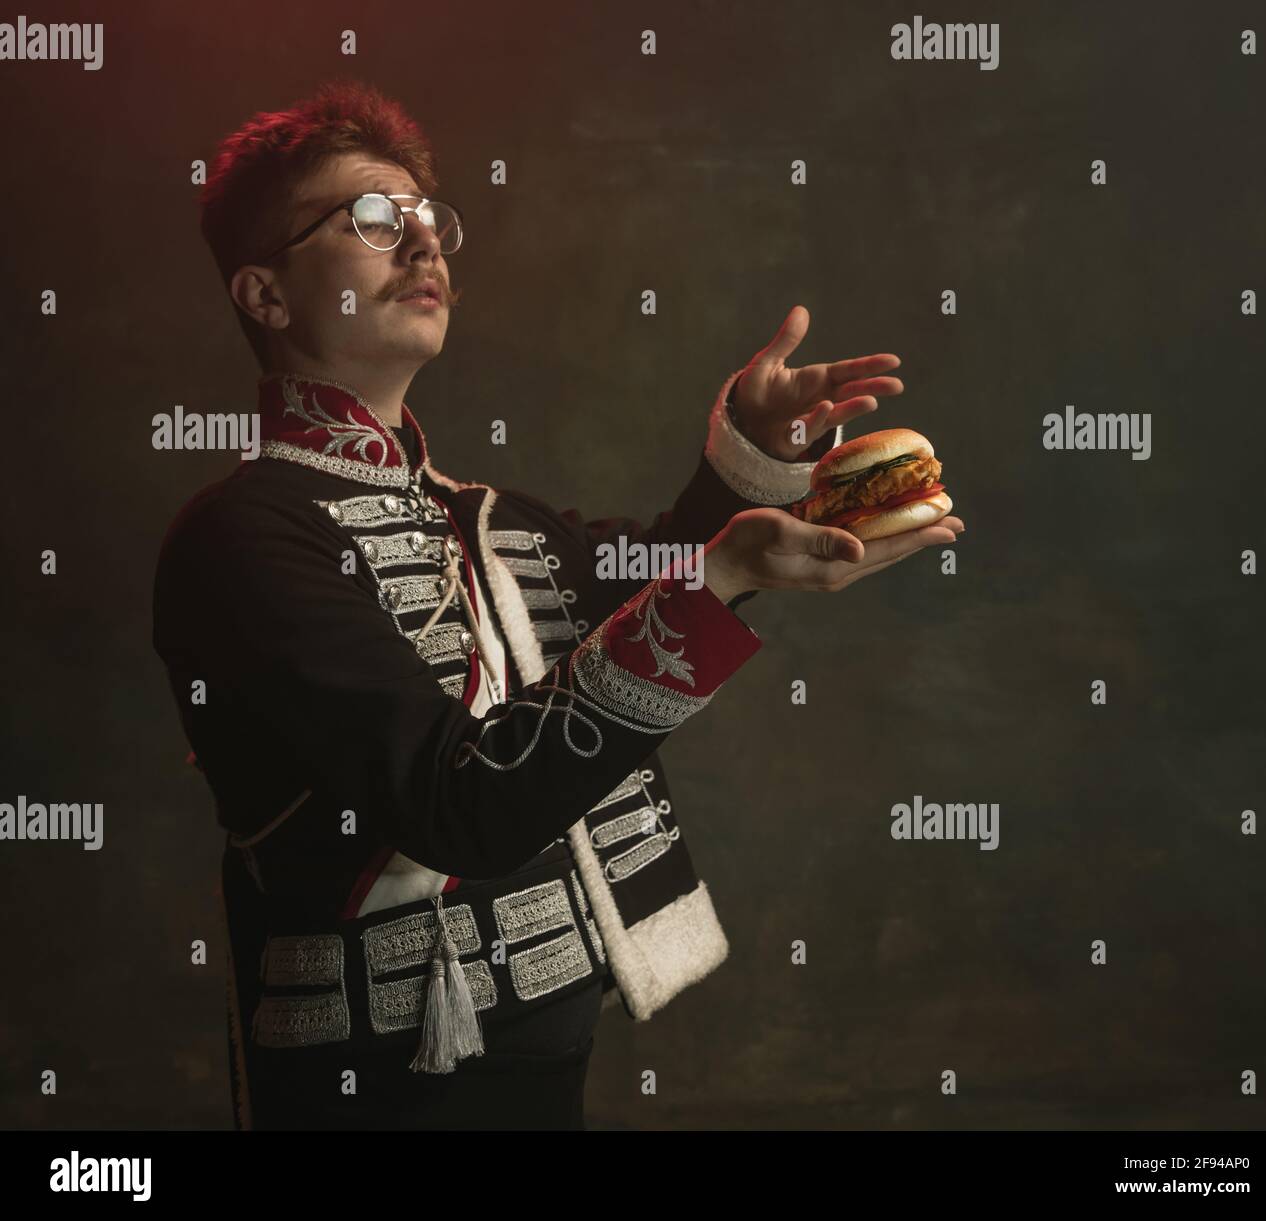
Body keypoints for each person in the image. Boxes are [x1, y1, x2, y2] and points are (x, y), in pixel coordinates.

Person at [152, 78, 964, 1131]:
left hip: (545, 1070)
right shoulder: (242, 539)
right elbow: (459, 808)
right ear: (264, 295)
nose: (423, 248)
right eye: (370, 222)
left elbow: (654, 572)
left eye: (429, 223)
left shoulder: (500, 522)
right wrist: (719, 579)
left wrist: (754, 459)